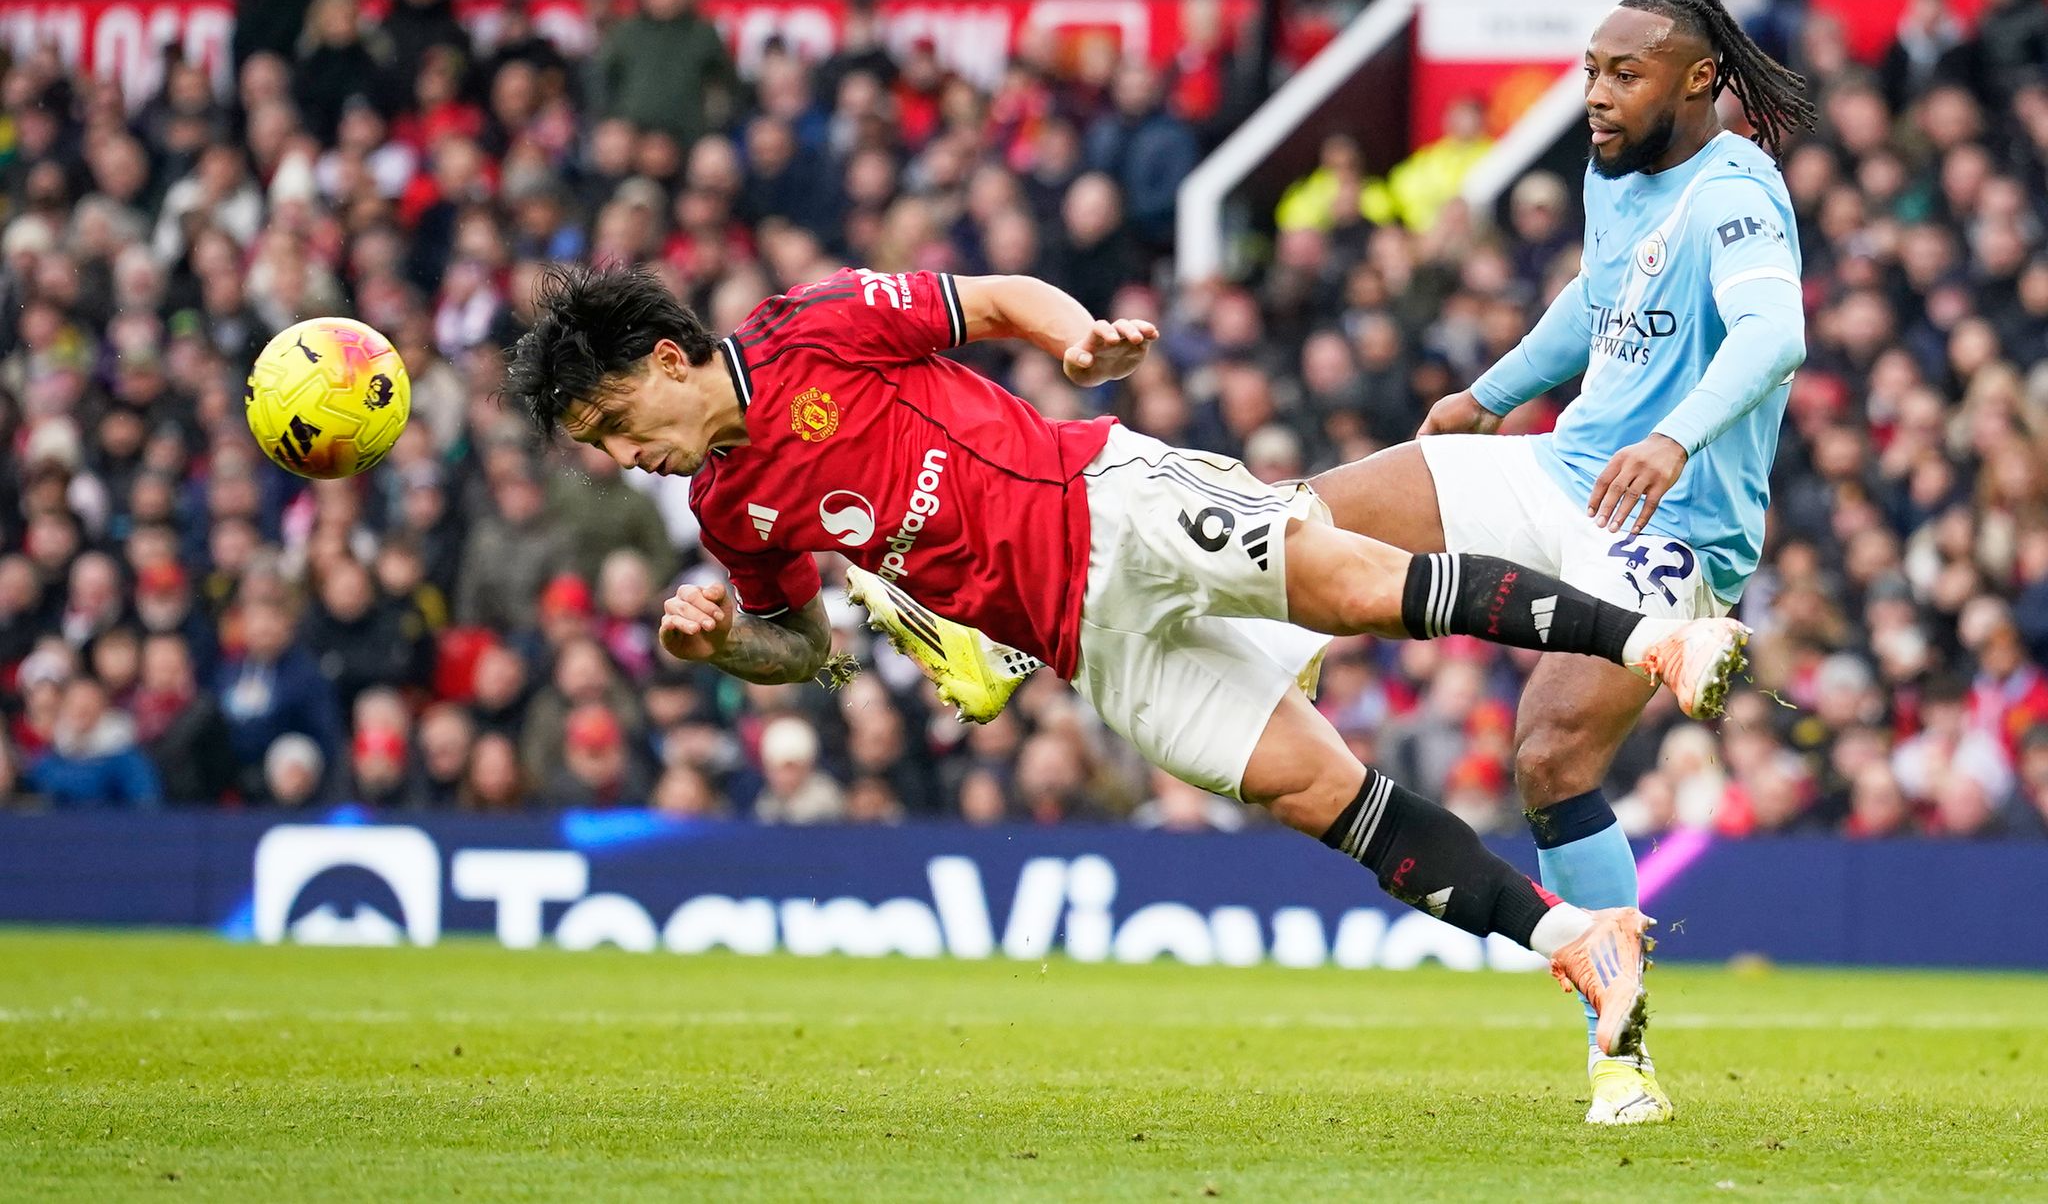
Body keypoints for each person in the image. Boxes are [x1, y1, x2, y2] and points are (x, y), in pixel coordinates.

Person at [506, 262, 1757, 1066]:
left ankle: (1654, 634)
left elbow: (988, 301)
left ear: (664, 361)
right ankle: (1575, 941)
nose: (625, 456)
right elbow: (809, 644)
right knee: (1310, 792)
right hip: (1086, 643)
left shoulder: (805, 333)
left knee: (1360, 587)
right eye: (599, 448)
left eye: (615, 425)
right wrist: (727, 641)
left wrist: (1076, 338)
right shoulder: (730, 511)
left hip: (1111, 502)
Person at [1305, 0, 1817, 1124]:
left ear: (1696, 79)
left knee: (1547, 758)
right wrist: (1485, 396)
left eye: (1621, 74)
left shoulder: (1734, 188)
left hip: (1671, 522)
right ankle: (1245, 638)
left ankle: (1620, 1048)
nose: (1593, 95)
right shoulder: (1614, 169)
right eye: (1589, 69)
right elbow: (1596, 302)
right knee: (1305, 513)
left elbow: (1774, 333)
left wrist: (1674, 438)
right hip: (1560, 467)